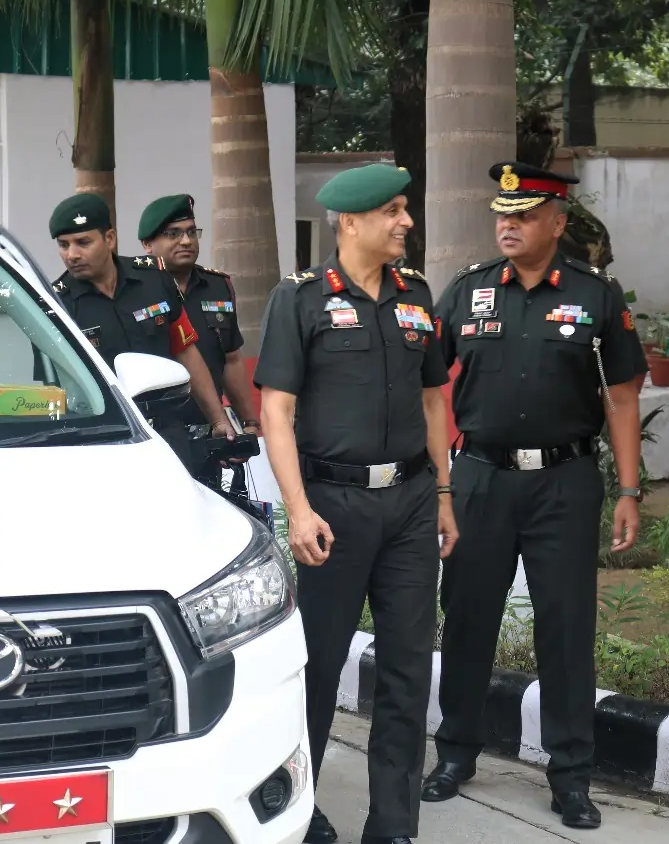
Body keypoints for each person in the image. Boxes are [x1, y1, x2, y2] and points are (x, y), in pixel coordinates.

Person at [422, 162, 646, 830]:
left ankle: (571, 774)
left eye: (523, 215)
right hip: (479, 478)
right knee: (466, 618)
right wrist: (437, 483)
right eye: (502, 214)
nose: (508, 224)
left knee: (567, 627)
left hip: (564, 483)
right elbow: (431, 388)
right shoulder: (466, 291)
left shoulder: (596, 296)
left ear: (557, 222)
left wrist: (630, 489)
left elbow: (625, 397)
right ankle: (456, 752)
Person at [253, 163, 459, 844]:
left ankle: (393, 825)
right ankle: (301, 810)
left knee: (407, 666)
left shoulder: (416, 294)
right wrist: (298, 509)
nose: (406, 221)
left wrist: (444, 492)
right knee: (314, 666)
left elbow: (434, 399)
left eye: (405, 208)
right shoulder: (302, 298)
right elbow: (275, 412)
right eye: (393, 211)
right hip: (333, 507)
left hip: (408, 501)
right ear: (350, 222)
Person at [47, 192, 235, 468]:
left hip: (168, 432)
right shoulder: (58, 305)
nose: (72, 255)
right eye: (63, 245)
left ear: (109, 239)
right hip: (105, 443)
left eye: (83, 242)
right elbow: (57, 391)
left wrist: (218, 420)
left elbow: (184, 350)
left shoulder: (154, 279)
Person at [138, 193, 261, 437]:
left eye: (192, 232)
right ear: (147, 244)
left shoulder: (218, 286)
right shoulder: (133, 290)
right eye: (173, 234)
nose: (186, 241)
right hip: (152, 432)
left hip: (211, 429)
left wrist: (249, 422)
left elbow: (232, 358)